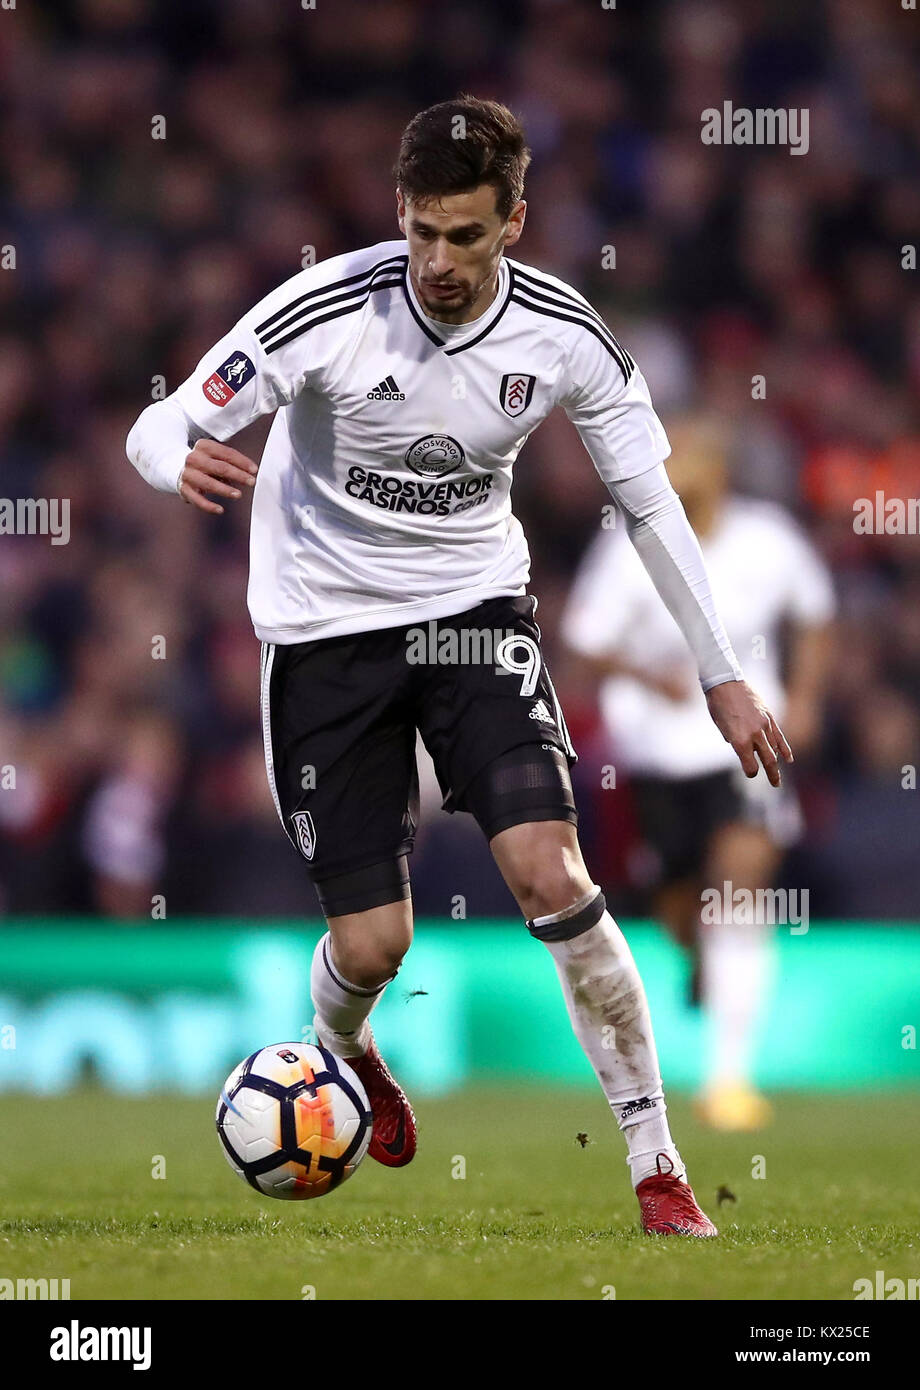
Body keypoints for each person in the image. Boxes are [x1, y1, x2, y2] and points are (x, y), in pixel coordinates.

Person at [126, 97, 792, 1236]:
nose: (439, 259)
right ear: (400, 211)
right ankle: (344, 1047)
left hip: (475, 613)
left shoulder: (564, 335)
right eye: (424, 230)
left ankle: (656, 1163)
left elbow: (649, 505)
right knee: (374, 943)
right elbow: (162, 421)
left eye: (467, 236)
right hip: (323, 633)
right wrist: (177, 461)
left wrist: (720, 672)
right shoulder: (324, 308)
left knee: (552, 873)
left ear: (514, 223)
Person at [563, 415, 834, 1129]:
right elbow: (585, 643)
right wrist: (648, 678)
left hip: (746, 742)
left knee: (739, 890)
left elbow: (815, 615)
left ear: (719, 472)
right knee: (682, 906)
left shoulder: (768, 538)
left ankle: (729, 1078)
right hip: (657, 754)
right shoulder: (626, 544)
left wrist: (803, 699)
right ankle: (700, 957)